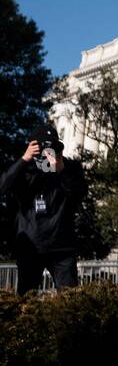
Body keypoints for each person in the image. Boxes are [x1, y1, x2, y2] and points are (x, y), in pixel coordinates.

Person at [0, 125, 86, 294]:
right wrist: (24, 159)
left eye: (51, 147)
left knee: (71, 299)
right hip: (32, 245)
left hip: (62, 246)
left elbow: (78, 194)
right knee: (26, 298)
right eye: (41, 147)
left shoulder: (68, 167)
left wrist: (61, 170)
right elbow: (2, 187)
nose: (47, 153)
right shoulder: (24, 169)